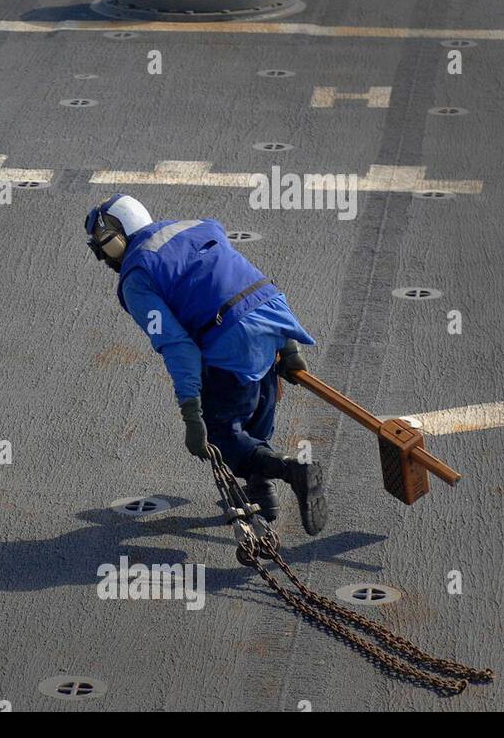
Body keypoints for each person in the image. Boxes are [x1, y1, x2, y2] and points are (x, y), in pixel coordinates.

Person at [84, 193, 327, 535]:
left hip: (232, 342)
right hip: (270, 324)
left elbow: (177, 345)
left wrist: (191, 414)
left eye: (103, 244)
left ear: (115, 239)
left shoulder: (136, 277)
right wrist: (286, 344)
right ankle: (263, 497)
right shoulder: (198, 227)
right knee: (252, 429)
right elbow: (247, 281)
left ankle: (293, 471)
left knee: (223, 435)